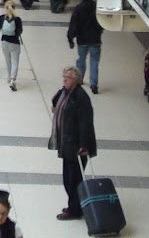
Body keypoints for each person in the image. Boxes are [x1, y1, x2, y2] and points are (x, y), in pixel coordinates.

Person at [50, 66, 97, 221]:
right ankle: (74, 205)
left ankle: (75, 209)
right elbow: (55, 101)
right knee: (68, 178)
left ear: (76, 80)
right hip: (67, 144)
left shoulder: (80, 97)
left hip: (76, 147)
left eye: (68, 77)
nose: (64, 79)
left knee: (73, 179)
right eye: (64, 76)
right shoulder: (66, 92)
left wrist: (83, 145)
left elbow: (86, 123)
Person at [66, 0, 103, 93]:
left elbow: (73, 24)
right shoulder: (95, 7)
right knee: (94, 61)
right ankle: (94, 84)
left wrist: (70, 38)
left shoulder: (79, 9)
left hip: (82, 40)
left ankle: (80, 79)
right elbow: (101, 22)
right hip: (95, 39)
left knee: (81, 59)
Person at [0, 0, 24, 91]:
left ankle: (9, 76)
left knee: (8, 61)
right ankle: (13, 79)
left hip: (4, 42)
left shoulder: (2, 18)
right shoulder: (17, 19)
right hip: (14, 42)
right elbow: (20, 31)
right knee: (15, 62)